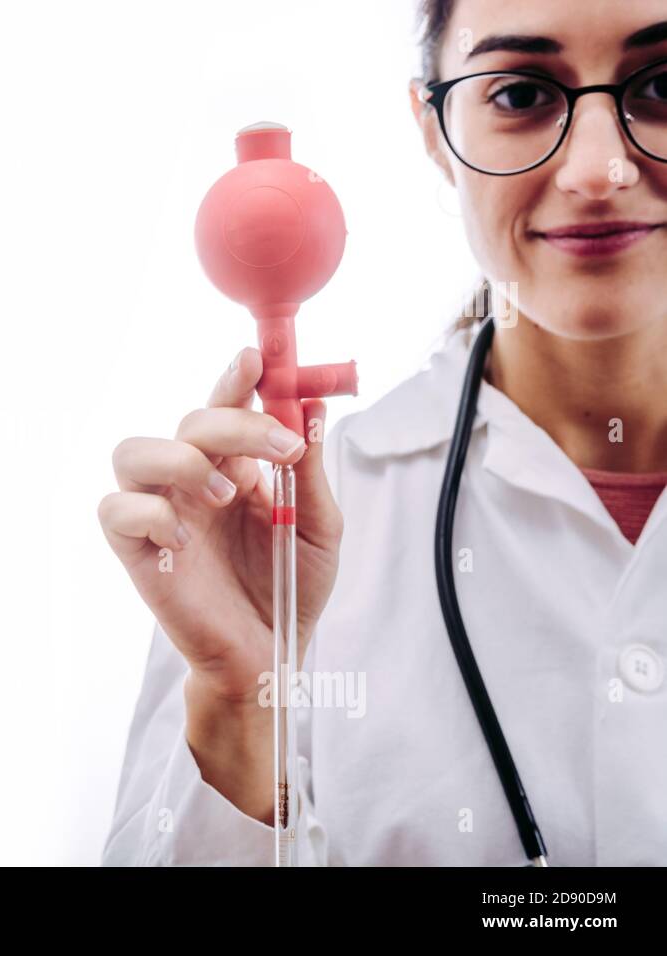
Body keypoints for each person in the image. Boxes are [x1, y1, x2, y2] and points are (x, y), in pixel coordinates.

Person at [97, 0, 667, 865]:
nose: (596, 171)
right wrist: (242, 705)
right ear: (433, 129)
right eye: (520, 93)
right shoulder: (279, 537)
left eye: (662, 83)